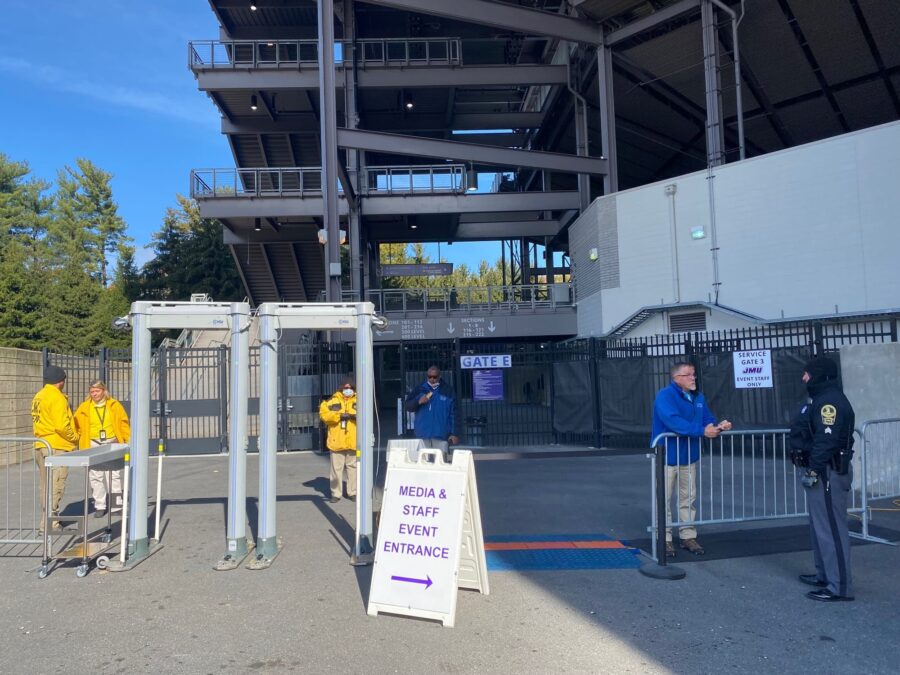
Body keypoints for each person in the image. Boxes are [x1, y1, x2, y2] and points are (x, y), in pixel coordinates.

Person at [789, 356, 855, 602]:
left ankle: (839, 586)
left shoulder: (830, 402)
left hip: (827, 471)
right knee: (820, 527)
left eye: (807, 373)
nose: (804, 378)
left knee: (831, 529)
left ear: (818, 375)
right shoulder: (820, 398)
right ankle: (825, 575)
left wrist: (814, 470)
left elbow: (826, 441)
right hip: (821, 469)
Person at [650, 361, 731, 557]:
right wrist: (703, 431)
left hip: (689, 456)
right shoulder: (665, 396)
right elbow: (673, 421)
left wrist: (718, 425)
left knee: (688, 497)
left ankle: (687, 536)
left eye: (693, 374)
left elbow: (706, 419)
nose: (693, 378)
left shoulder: (698, 396)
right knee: (664, 498)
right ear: (676, 378)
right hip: (666, 456)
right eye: (688, 375)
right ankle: (665, 538)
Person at [31, 365, 79, 531]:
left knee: (45, 485)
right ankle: (50, 523)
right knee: (56, 484)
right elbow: (61, 425)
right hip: (56, 446)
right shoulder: (57, 397)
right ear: (61, 382)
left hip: (41, 444)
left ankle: (49, 519)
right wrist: (75, 437)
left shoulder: (39, 395)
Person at [74, 380, 131, 517]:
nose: (94, 394)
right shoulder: (84, 407)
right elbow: (76, 425)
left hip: (111, 442)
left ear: (104, 390)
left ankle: (116, 506)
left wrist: (127, 439)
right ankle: (100, 505)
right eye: (92, 392)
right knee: (95, 475)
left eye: (97, 391)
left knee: (113, 475)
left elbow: (123, 422)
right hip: (93, 442)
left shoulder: (114, 405)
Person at [319, 376, 358, 504]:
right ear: (341, 388)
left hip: (353, 441)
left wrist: (354, 416)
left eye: (350, 388)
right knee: (336, 469)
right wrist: (339, 416)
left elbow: (368, 414)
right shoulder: (332, 401)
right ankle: (336, 493)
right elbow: (324, 414)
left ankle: (353, 492)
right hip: (337, 441)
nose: (348, 390)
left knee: (353, 468)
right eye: (346, 388)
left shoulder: (359, 400)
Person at [404, 365, 459, 452]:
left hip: (441, 435)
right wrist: (418, 402)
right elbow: (407, 406)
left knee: (441, 463)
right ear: (427, 376)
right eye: (430, 377)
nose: (432, 379)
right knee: (424, 462)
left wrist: (454, 433)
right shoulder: (420, 389)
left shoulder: (448, 391)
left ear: (439, 376)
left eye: (435, 377)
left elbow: (454, 414)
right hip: (423, 434)